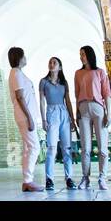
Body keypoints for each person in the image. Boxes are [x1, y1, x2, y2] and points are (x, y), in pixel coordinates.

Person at [73, 45, 111, 190]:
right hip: (83, 109)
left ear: (89, 55)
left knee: (102, 147)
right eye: (80, 54)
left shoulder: (100, 72)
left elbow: (106, 94)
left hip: (98, 109)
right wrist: (77, 112)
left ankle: (102, 178)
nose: (81, 56)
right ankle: (85, 178)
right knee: (86, 148)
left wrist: (109, 114)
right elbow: (77, 95)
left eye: (83, 54)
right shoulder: (78, 73)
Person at [7, 46, 43, 192]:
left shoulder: (18, 73)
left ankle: (27, 181)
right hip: (24, 116)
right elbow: (20, 97)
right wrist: (29, 117)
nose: (25, 58)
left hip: (26, 115)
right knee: (35, 147)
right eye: (24, 55)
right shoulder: (15, 73)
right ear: (19, 58)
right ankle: (28, 180)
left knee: (29, 148)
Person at [38, 56, 77, 190]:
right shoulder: (43, 82)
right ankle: (49, 179)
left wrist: (72, 119)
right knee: (52, 148)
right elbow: (42, 101)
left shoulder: (64, 83)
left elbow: (68, 101)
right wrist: (43, 119)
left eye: (54, 62)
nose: (51, 64)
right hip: (51, 112)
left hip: (64, 114)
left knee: (66, 148)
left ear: (60, 67)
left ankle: (69, 178)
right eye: (50, 62)